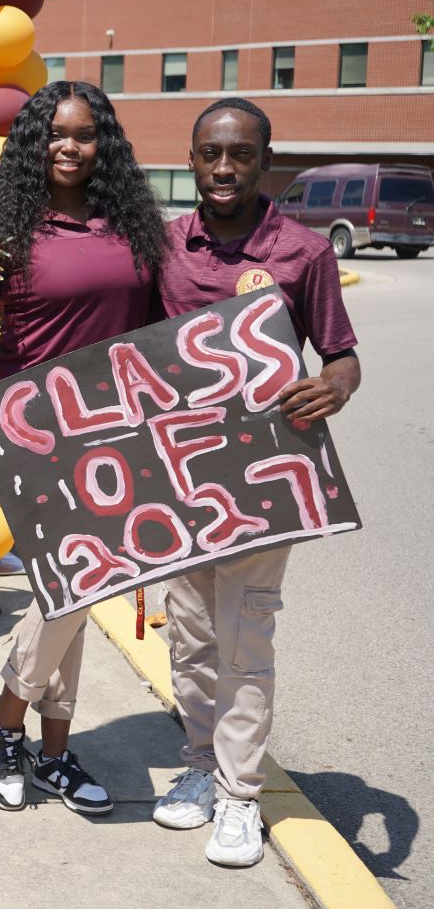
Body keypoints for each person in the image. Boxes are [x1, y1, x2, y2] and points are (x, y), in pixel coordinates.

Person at [151, 98, 359, 867]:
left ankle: (241, 795)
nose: (225, 168)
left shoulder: (303, 252)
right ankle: (203, 768)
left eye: (240, 154)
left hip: (265, 481)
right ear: (193, 157)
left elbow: (341, 354)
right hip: (176, 482)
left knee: (246, 636)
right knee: (193, 636)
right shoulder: (165, 247)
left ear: (265, 160)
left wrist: (335, 386)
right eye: (210, 153)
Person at [0, 82, 169, 817]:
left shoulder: (136, 227)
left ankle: (45, 748)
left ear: (103, 144)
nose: (69, 145)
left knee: (77, 593)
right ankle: (9, 720)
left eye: (85, 134)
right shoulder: (5, 230)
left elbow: (160, 330)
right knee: (73, 587)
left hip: (117, 434)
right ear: (31, 141)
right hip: (32, 436)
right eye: (54, 132)